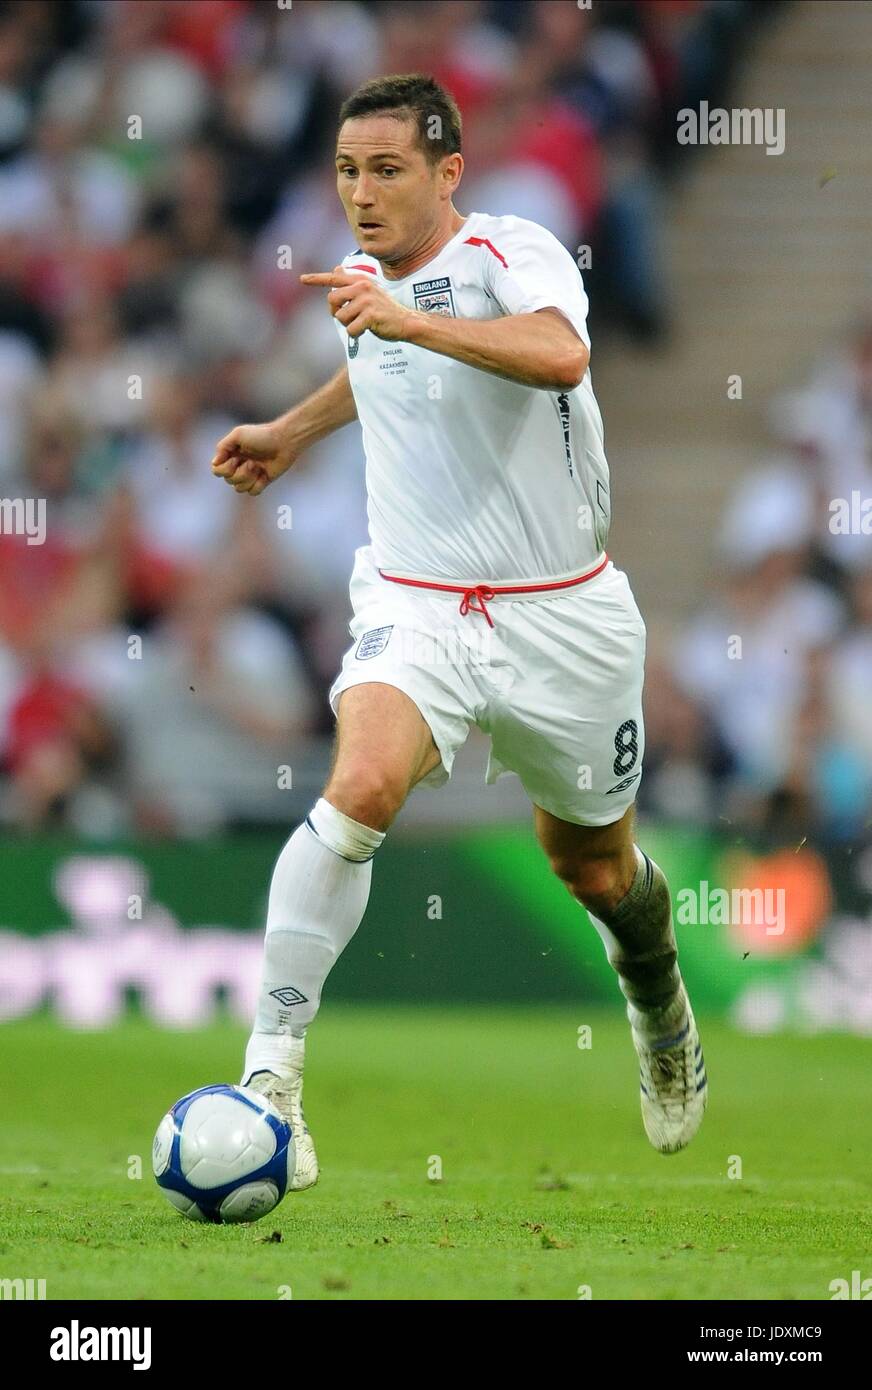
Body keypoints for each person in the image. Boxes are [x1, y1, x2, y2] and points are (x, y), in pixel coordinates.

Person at [211, 74, 706, 1191]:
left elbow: (558, 354)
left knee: (590, 866)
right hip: (417, 600)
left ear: (447, 171)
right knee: (359, 791)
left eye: (386, 169)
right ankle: (271, 1084)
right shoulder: (366, 288)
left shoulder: (509, 250)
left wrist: (402, 316)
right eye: (345, 170)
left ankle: (655, 994)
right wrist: (292, 431)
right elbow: (384, 367)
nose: (360, 193)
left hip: (563, 613)